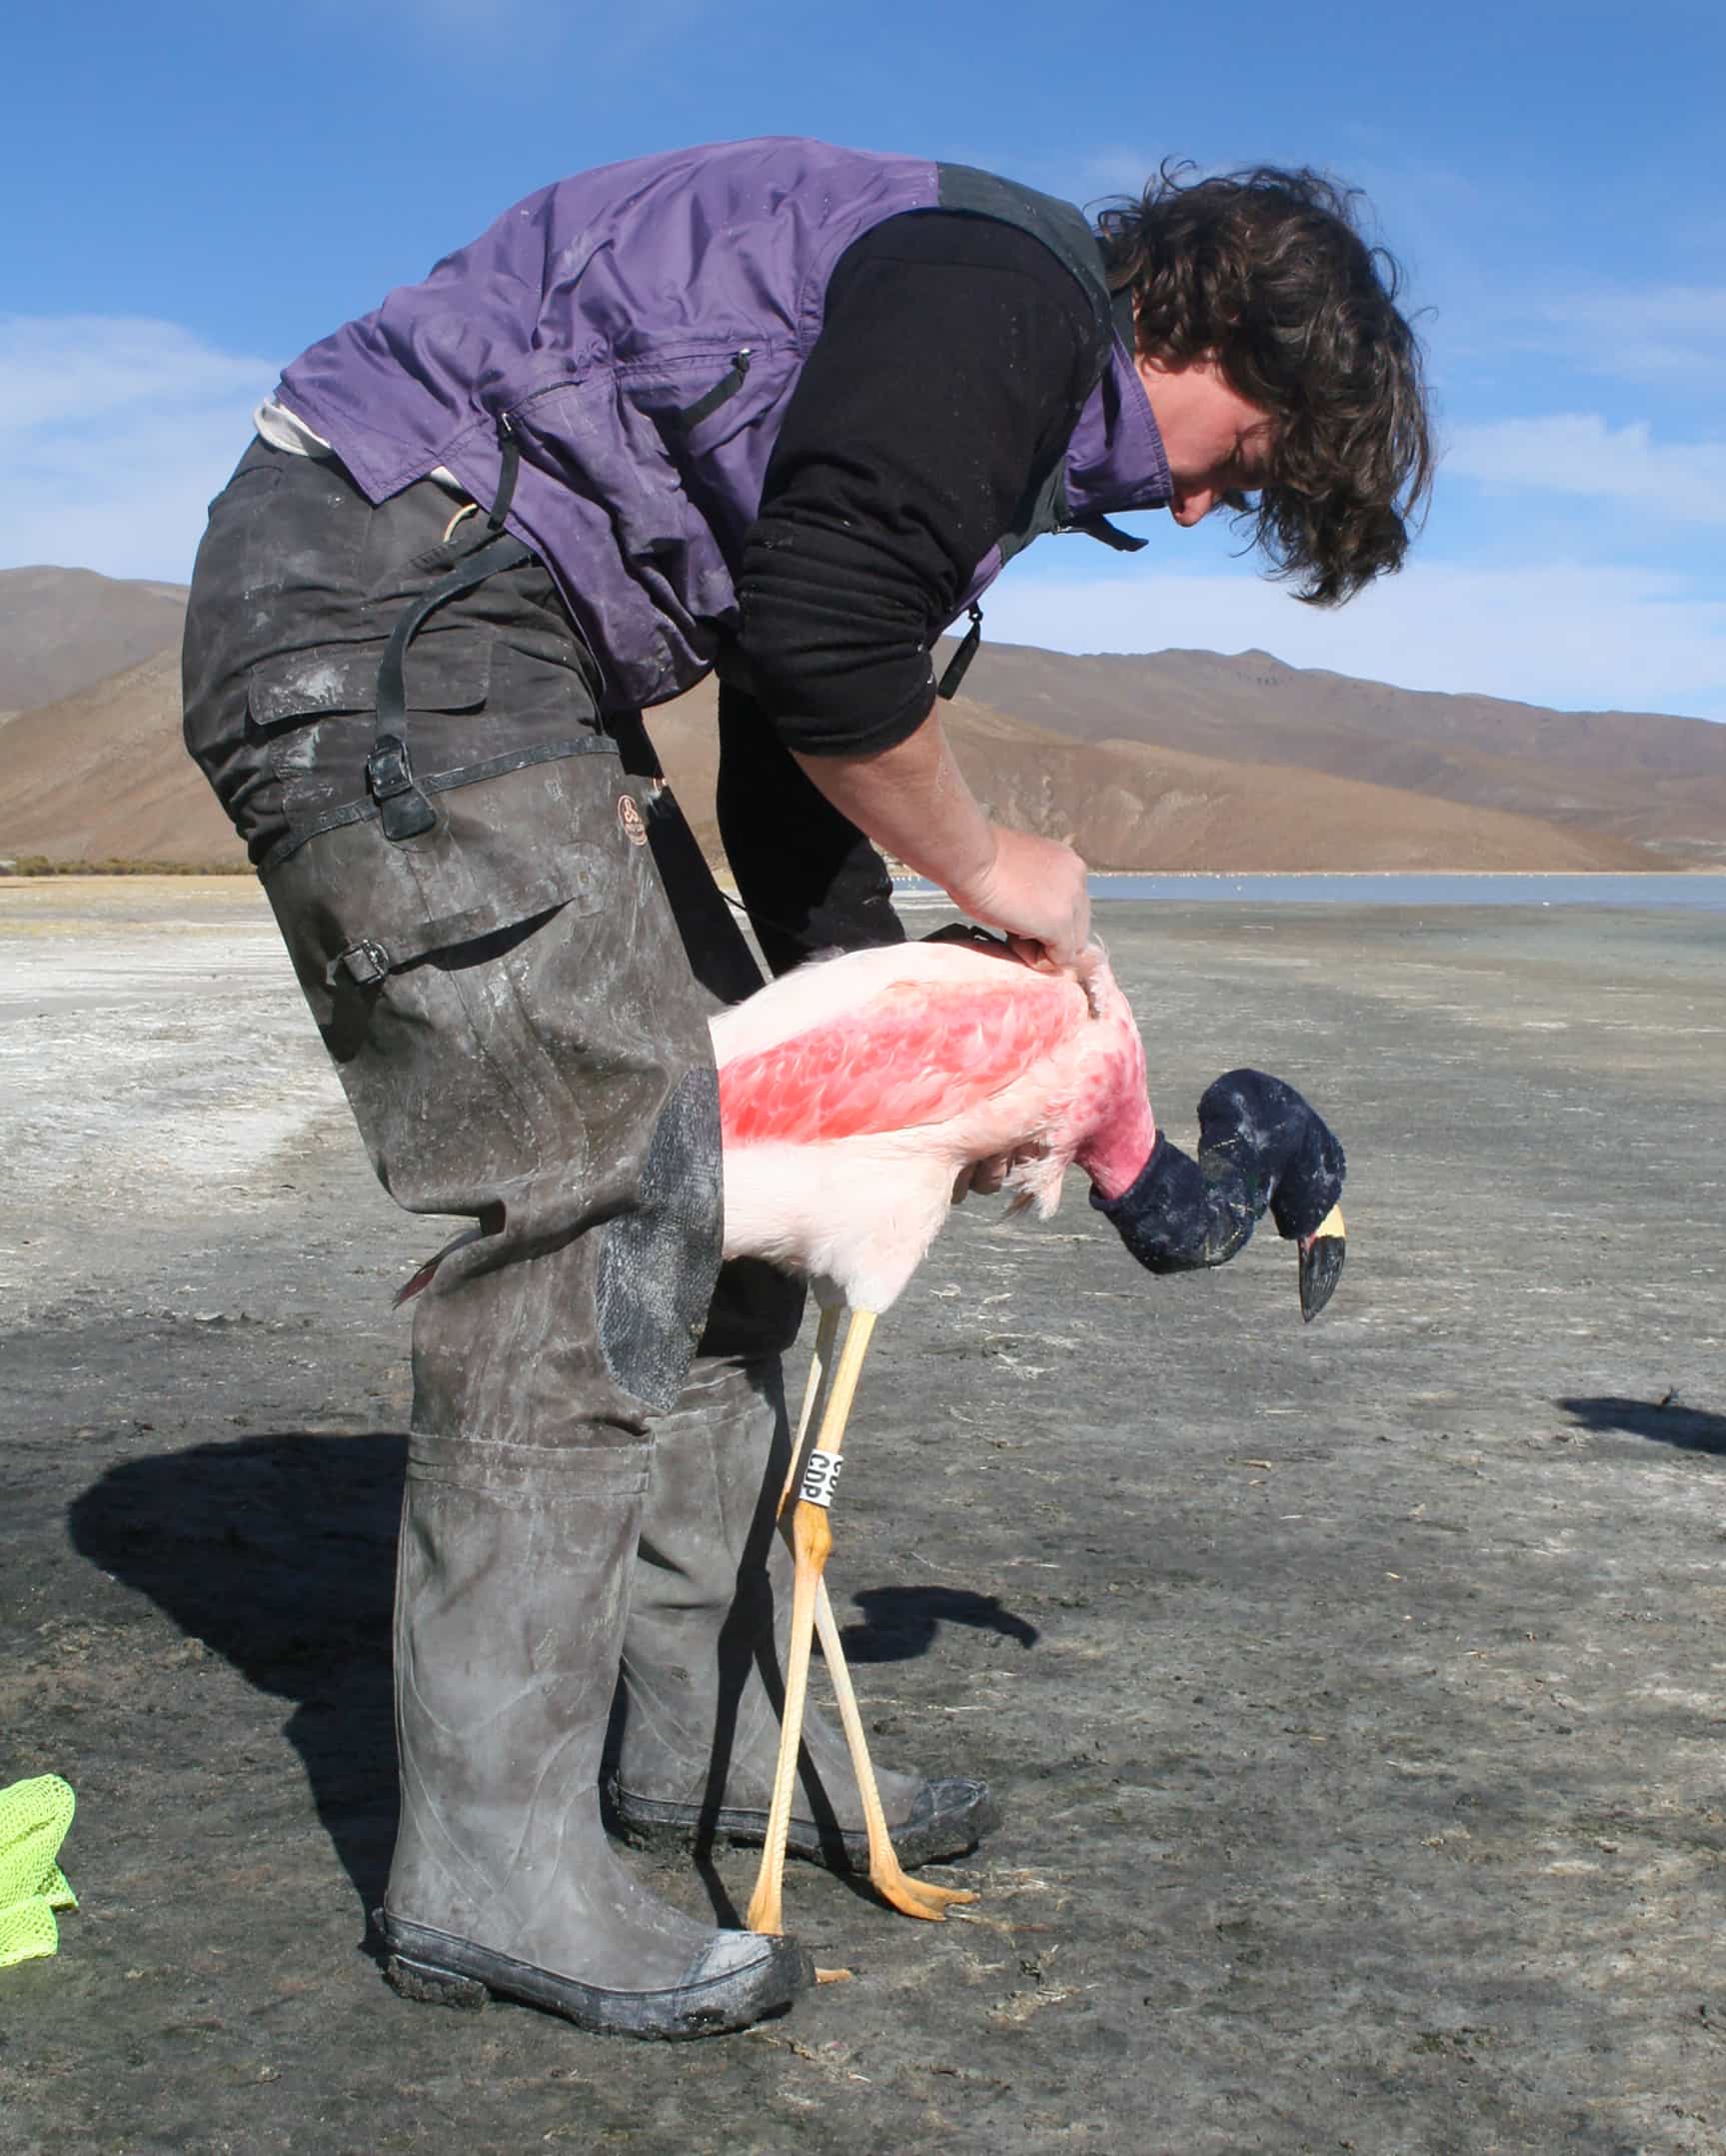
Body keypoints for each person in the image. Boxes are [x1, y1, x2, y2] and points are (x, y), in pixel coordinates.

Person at [180, 135, 1432, 2041]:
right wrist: (1003, 872)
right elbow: (832, 640)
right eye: (1242, 458)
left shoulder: (983, 358)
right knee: (598, 1191)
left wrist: (889, 973)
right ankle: (489, 1864)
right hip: (393, 602)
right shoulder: (1005, 308)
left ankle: (694, 1756)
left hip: (492, 636)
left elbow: (788, 744)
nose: (1199, 514)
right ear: (1192, 313)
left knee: (741, 1199)